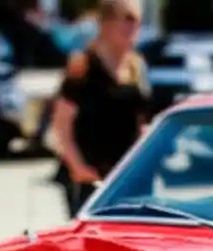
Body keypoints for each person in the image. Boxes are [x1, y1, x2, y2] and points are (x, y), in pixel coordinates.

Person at [51, 0, 148, 217]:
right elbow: (61, 124)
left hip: (125, 175)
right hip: (90, 176)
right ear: (107, 23)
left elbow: (141, 120)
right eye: (129, 20)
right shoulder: (83, 66)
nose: (134, 28)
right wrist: (78, 168)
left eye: (138, 22)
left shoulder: (135, 66)